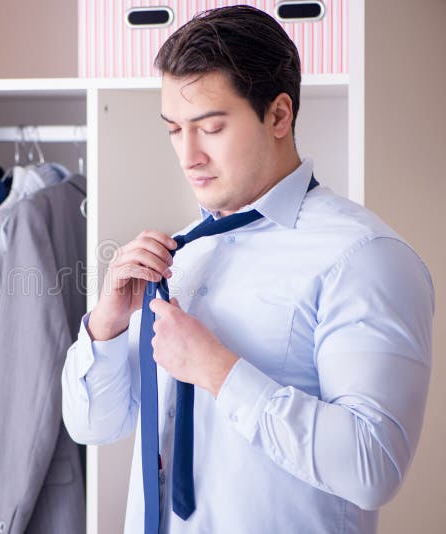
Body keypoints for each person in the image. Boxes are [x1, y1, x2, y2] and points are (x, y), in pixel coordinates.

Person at [61, 5, 434, 534]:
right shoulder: (183, 257)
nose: (188, 155)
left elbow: (373, 466)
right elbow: (93, 426)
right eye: (174, 130)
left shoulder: (365, 257)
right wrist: (105, 326)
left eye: (210, 127)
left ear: (279, 115)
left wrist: (218, 370)